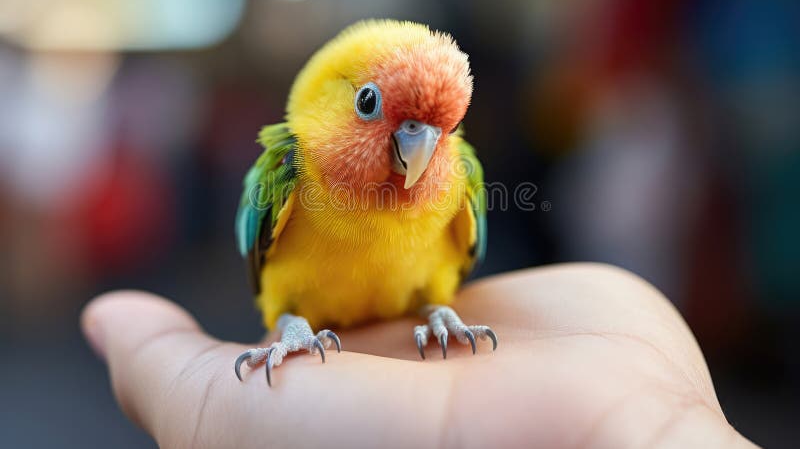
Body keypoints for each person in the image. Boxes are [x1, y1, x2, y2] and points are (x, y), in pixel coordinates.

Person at [80, 263, 758, 448]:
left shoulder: (452, 172)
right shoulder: (287, 167)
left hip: (423, 304)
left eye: (438, 128)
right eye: (372, 107)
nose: (416, 145)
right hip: (304, 308)